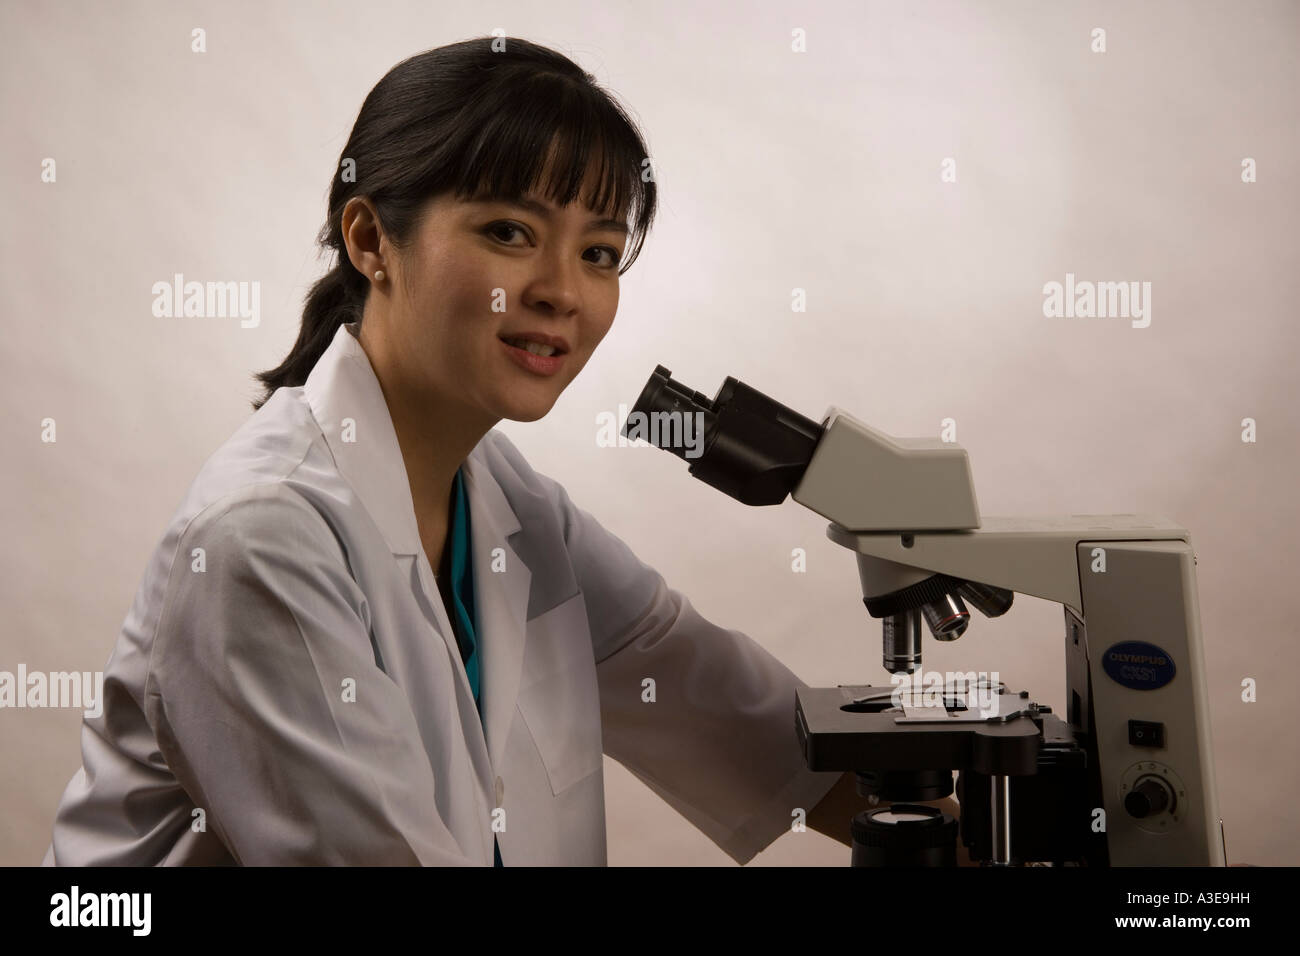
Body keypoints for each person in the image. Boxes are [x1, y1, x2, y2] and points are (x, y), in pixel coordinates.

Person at [42, 36, 960, 866]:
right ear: (372, 241)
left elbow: (711, 701)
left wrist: (965, 838)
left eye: (600, 253)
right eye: (510, 233)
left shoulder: (504, 498)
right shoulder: (260, 538)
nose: (562, 292)